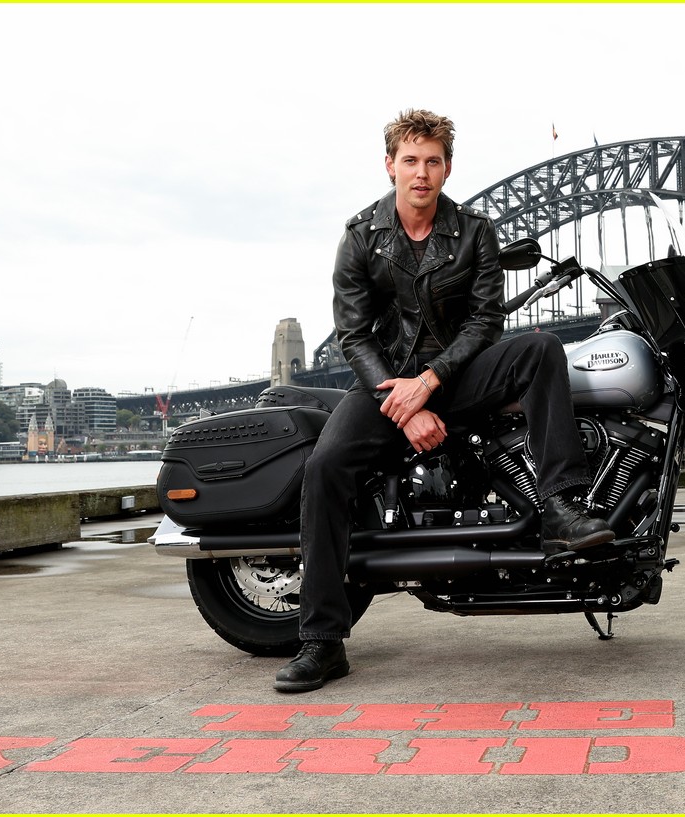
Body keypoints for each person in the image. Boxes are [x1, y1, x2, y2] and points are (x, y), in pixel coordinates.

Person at [275, 109, 613, 693]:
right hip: (381, 382)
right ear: (390, 166)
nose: (421, 172)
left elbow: (485, 321)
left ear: (447, 168)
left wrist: (428, 385)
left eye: (432, 161)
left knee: (540, 348)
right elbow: (354, 335)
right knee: (325, 469)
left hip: (456, 373)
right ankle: (323, 642)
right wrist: (402, 401)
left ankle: (559, 508)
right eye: (410, 160)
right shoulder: (361, 237)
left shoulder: (476, 232)